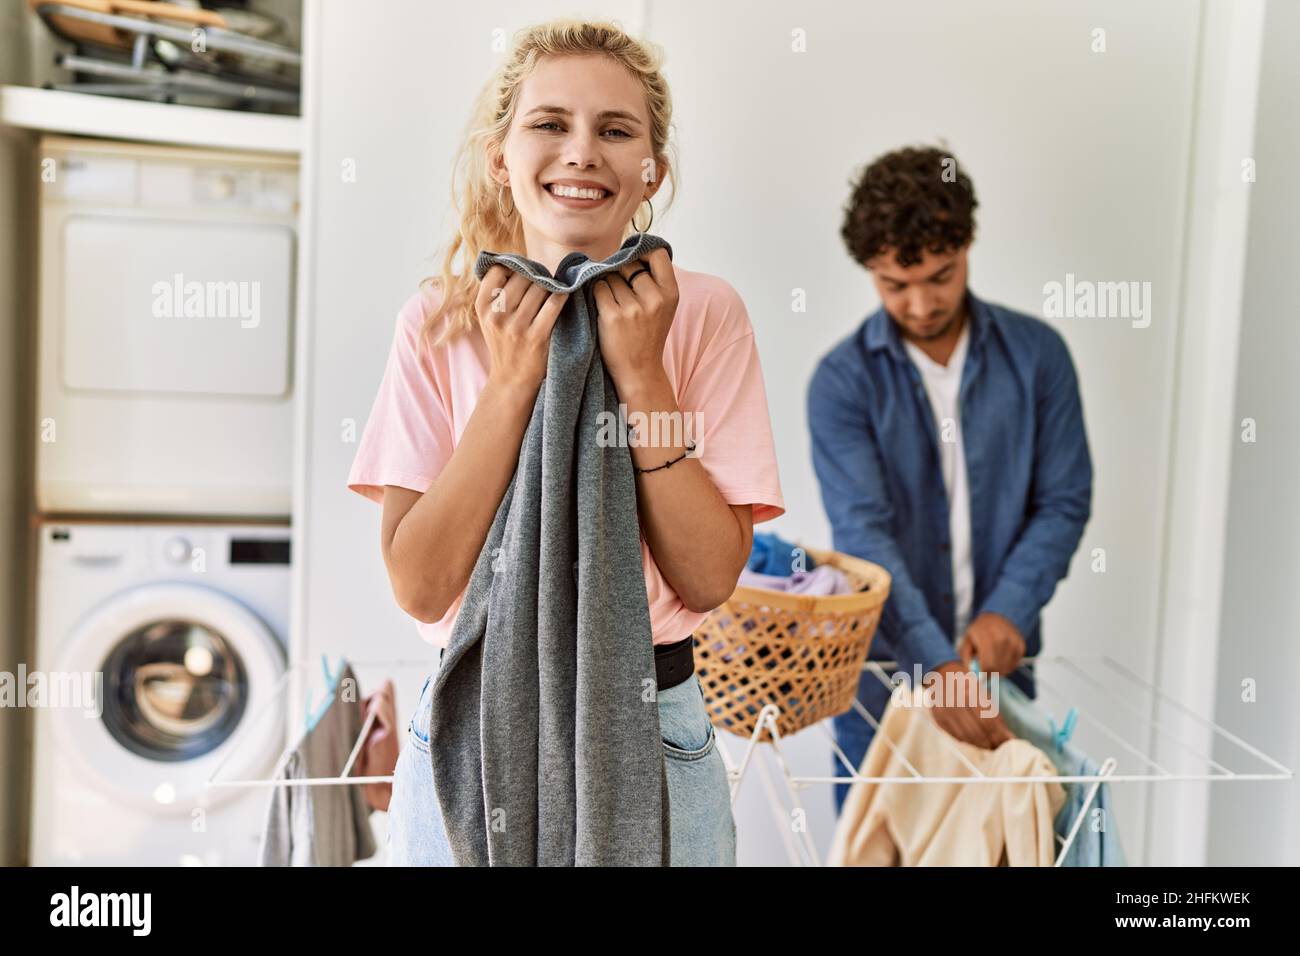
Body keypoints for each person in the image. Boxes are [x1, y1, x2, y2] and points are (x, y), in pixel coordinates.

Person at [345, 18, 785, 865]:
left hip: (652, 724)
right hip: (474, 723)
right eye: (550, 124)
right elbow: (424, 583)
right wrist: (512, 382)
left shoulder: (707, 315)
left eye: (616, 131)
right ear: (498, 157)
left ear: (651, 168)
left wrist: (644, 375)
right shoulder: (439, 324)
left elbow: (707, 574)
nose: (582, 151)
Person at [807, 145, 1093, 813]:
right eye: (893, 284)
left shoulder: (1037, 357)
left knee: (1006, 845)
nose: (920, 303)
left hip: (1004, 670)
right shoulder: (841, 383)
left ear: (967, 243)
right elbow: (862, 533)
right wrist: (936, 666)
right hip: (881, 680)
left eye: (940, 275)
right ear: (870, 272)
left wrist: (1009, 609)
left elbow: (1063, 501)